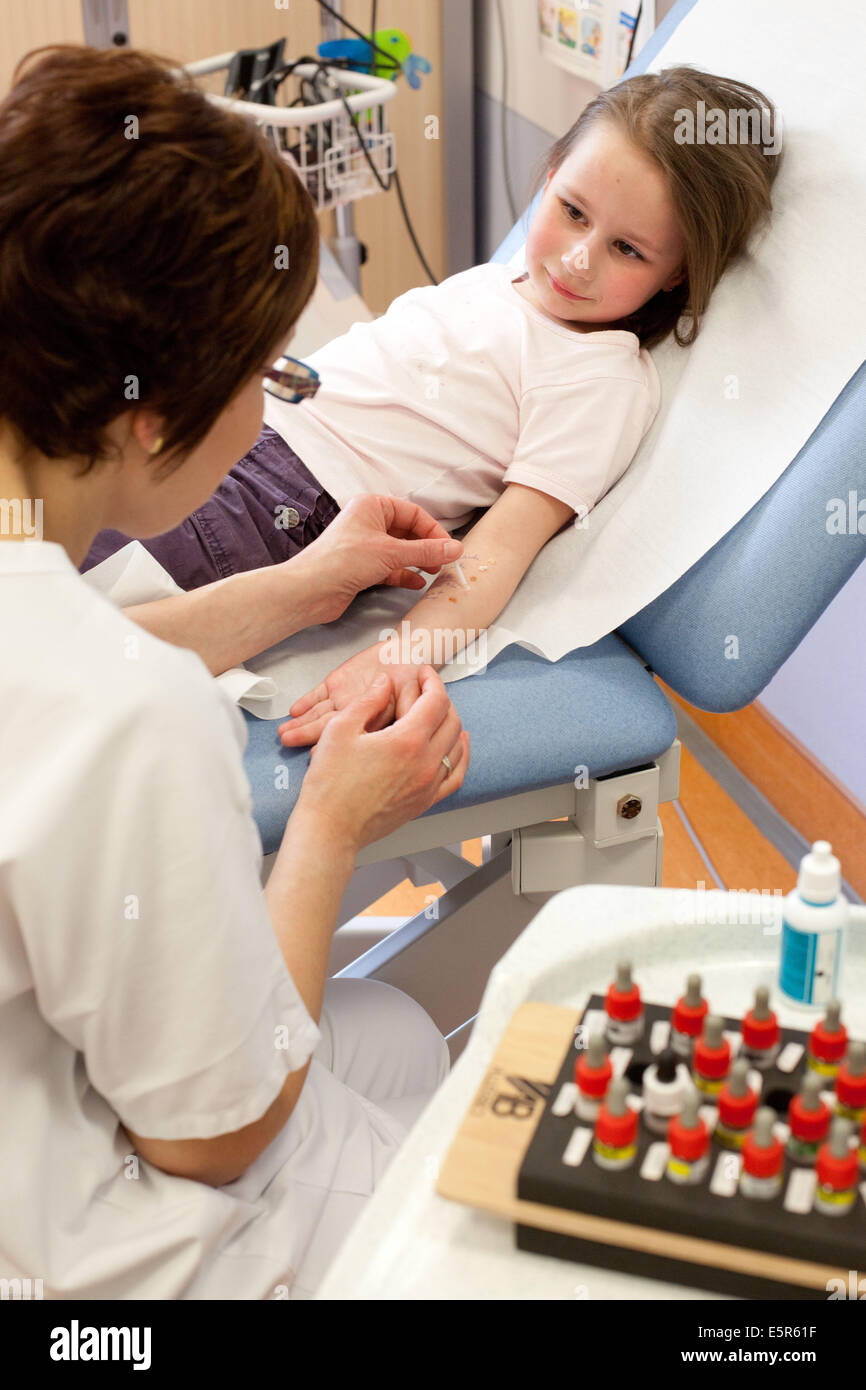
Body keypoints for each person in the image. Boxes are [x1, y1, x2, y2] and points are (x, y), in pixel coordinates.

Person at [0, 45, 471, 1300]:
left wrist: (302, 584)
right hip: (95, 1263)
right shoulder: (130, 721)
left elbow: (41, 665)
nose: (269, 420)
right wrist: (331, 825)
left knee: (387, 1037)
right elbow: (215, 1137)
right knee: (466, 1218)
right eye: (264, 379)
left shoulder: (49, 621)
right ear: (149, 412)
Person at [81, 64, 781, 752]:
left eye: (627, 249)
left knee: (61, 633)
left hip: (287, 508)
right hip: (238, 430)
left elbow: (501, 548)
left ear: (678, 273)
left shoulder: (601, 378)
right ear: (550, 176)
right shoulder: (500, 280)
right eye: (571, 212)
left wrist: (396, 657)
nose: (576, 261)